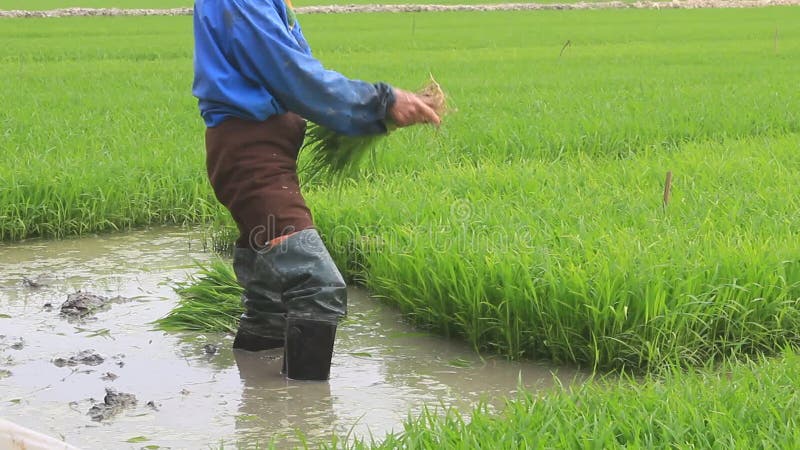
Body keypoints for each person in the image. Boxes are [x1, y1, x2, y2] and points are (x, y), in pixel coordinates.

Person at [192, 0, 441, 381]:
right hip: (252, 161)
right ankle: (303, 420)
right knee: (317, 285)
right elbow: (294, 77)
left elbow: (298, 74)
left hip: (266, 158)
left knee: (271, 297)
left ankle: (260, 406)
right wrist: (381, 104)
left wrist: (368, 110)